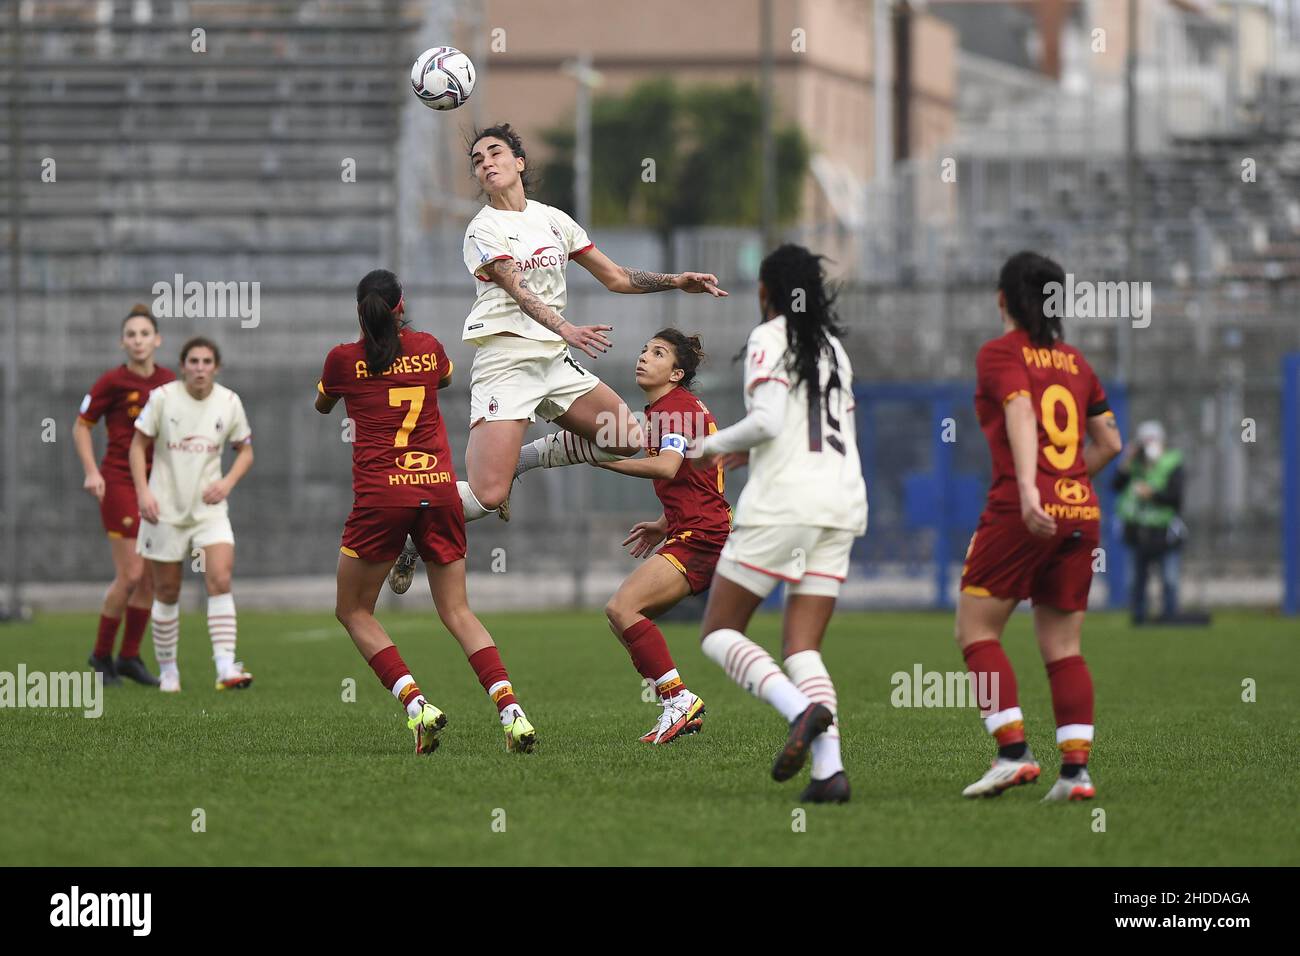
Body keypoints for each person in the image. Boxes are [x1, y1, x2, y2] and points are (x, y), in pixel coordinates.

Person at [387, 122, 727, 592]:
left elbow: (615, 276)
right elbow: (515, 284)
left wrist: (676, 280)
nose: (486, 162)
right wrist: (565, 327)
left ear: (520, 162)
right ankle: (412, 531)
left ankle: (527, 459)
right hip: (506, 361)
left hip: (553, 360)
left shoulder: (553, 220)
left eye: (495, 153)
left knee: (627, 438)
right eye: (477, 160)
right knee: (488, 495)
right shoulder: (483, 228)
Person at [316, 269, 536, 755]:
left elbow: (322, 404)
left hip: (381, 498)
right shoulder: (429, 348)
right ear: (401, 307)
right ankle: (512, 713)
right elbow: (447, 376)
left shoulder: (341, 361)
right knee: (457, 610)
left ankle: (418, 706)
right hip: (436, 491)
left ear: (359, 311)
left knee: (351, 610)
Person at [692, 244, 868, 804]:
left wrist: (710, 446)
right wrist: (752, 454)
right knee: (802, 647)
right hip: (840, 503)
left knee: (719, 630)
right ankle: (829, 772)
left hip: (786, 506)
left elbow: (768, 420)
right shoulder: (834, 349)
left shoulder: (769, 336)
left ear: (766, 292)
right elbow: (807, 428)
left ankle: (800, 709)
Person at [955, 251, 1123, 802]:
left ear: (1002, 299)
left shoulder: (1001, 352)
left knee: (976, 631)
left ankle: (1011, 754)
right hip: (1080, 511)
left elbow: (1021, 411)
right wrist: (1066, 481)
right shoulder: (1077, 361)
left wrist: (1032, 488)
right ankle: (1075, 773)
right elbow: (1111, 443)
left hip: (1021, 509)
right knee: (1063, 647)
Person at [516, 329, 729, 743]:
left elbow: (668, 467)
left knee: (622, 608)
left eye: (658, 353)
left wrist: (606, 463)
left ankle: (679, 700)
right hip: (696, 530)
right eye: (645, 349)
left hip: (702, 536)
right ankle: (675, 703)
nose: (644, 357)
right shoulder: (671, 409)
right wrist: (663, 524)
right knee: (624, 617)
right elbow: (696, 479)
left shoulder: (674, 410)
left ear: (676, 372)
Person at [129, 337, 254, 693]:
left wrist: (227, 482)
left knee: (220, 578)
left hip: (209, 512)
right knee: (167, 590)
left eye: (207, 361)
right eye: (194, 361)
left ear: (216, 367)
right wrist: (143, 492)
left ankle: (225, 667)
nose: (200, 368)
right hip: (163, 511)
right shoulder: (163, 398)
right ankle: (168, 671)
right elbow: (137, 446)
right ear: (183, 366)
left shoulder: (229, 402)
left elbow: (245, 451)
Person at [74, 304, 175, 686]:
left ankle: (129, 657)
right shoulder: (111, 383)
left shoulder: (169, 381)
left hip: (157, 487)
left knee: (149, 579)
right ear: (123, 341)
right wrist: (91, 472)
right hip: (118, 481)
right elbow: (81, 426)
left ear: (157, 340)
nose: (138, 340)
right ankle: (100, 656)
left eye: (144, 333)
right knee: (131, 572)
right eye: (131, 334)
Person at [1113, 420, 1185, 624]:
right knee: (1136, 580)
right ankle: (1139, 618)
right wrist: (1127, 460)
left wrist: (1152, 494)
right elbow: (1116, 485)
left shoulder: (1172, 463)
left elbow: (1176, 498)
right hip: (1138, 532)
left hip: (1164, 532)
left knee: (1169, 579)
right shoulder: (1134, 464)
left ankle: (1169, 617)